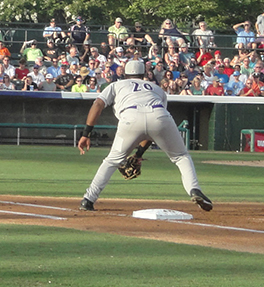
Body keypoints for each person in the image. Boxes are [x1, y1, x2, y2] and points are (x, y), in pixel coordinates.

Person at [77, 58, 212, 212]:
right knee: (181, 157)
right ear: (143, 74)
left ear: (125, 73)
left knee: (112, 161)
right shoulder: (156, 88)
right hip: (160, 116)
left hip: (130, 118)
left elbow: (98, 104)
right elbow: (151, 130)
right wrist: (139, 154)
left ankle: (88, 199)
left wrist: (86, 133)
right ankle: (194, 189)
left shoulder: (116, 85)